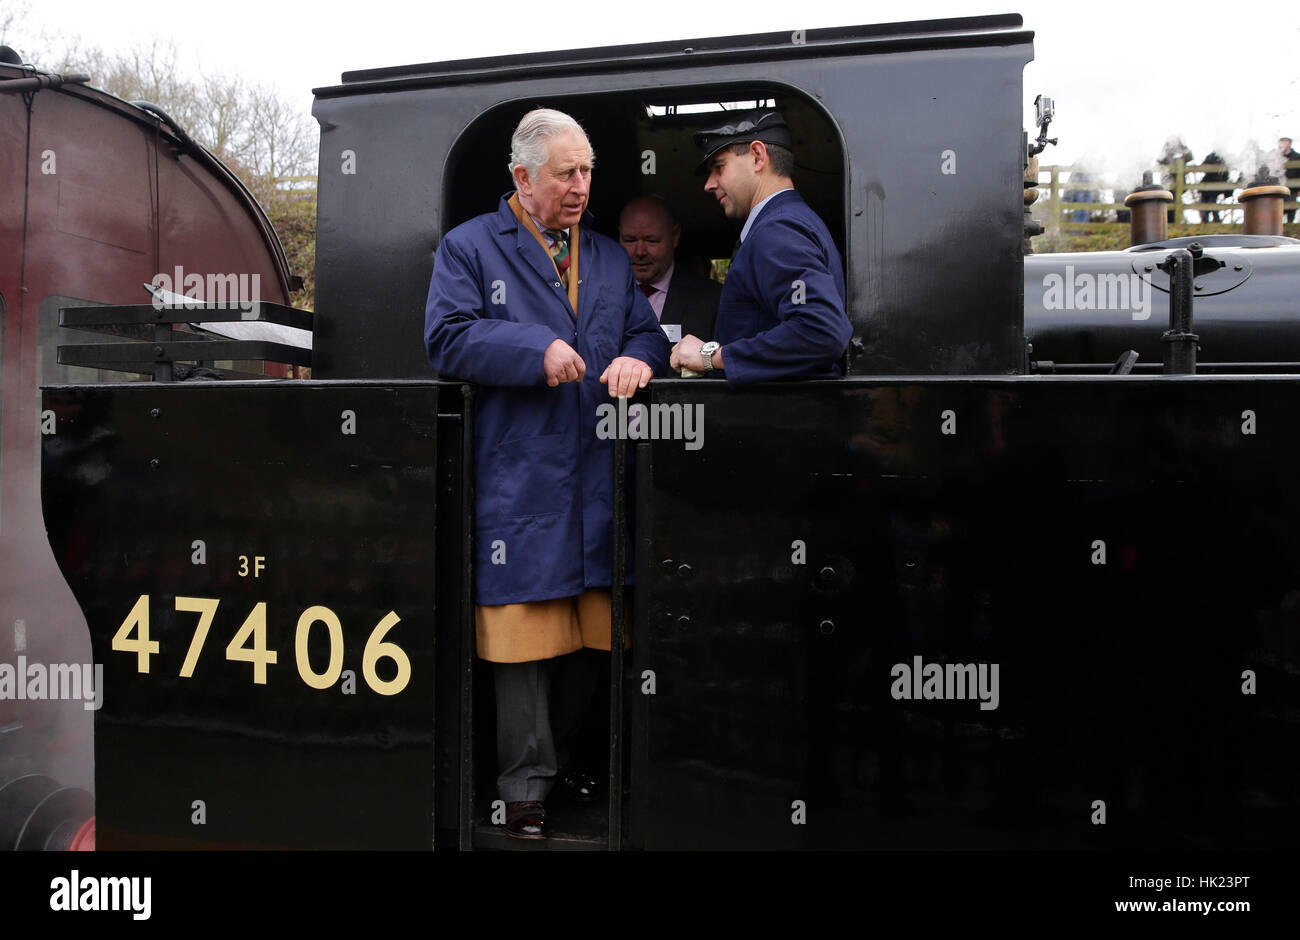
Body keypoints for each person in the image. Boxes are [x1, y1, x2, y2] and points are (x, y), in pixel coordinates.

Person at [424, 108, 670, 839]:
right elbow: (447, 337)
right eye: (566, 173)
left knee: (599, 635)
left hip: (597, 477)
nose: (580, 187)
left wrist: (641, 358)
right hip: (520, 477)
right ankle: (522, 790)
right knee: (522, 642)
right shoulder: (467, 248)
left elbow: (644, 331)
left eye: (587, 172)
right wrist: (534, 346)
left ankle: (566, 763)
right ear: (521, 176)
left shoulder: (606, 255)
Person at [670, 109, 851, 382]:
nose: (709, 184)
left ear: (757, 157)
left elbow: (820, 331)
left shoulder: (777, 230)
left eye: (719, 168)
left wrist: (711, 356)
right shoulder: (791, 220)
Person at [618, 194, 722, 343]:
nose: (639, 251)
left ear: (675, 237)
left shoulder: (712, 300)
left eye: (651, 241)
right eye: (630, 240)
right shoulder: (599, 293)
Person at [1199, 151, 1229, 224]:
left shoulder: (1221, 159)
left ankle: (1214, 219)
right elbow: (1203, 166)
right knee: (1205, 203)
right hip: (1207, 185)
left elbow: (1225, 173)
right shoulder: (1211, 157)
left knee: (1211, 202)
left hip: (1214, 185)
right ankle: (1207, 220)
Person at [1279, 137, 1299, 223]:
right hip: (1279, 189)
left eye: (1284, 142)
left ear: (1289, 143)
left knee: (1291, 212)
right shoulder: (1277, 157)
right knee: (1278, 212)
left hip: (1292, 190)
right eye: (1281, 142)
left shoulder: (1297, 157)